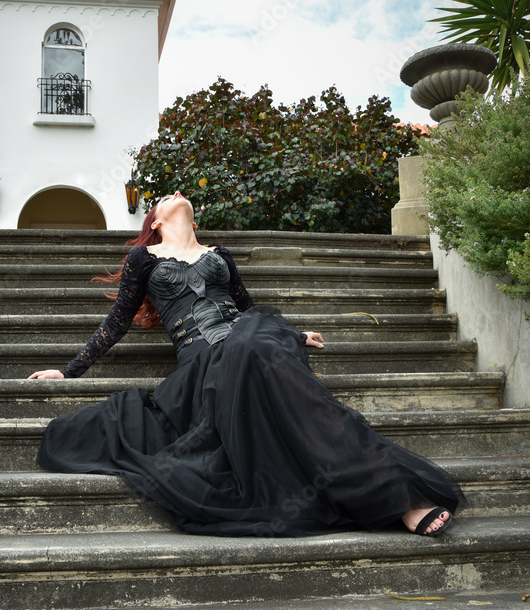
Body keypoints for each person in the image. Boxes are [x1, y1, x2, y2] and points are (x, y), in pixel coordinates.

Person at [30, 191, 464, 537]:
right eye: (164, 197)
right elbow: (117, 322)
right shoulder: (143, 259)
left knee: (257, 342)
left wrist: (293, 335)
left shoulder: (220, 253)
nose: (176, 192)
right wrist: (68, 371)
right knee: (263, 366)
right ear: (156, 221)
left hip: (251, 339)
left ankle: (396, 492)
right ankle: (388, 493)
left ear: (193, 219)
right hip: (203, 363)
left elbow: (247, 308)